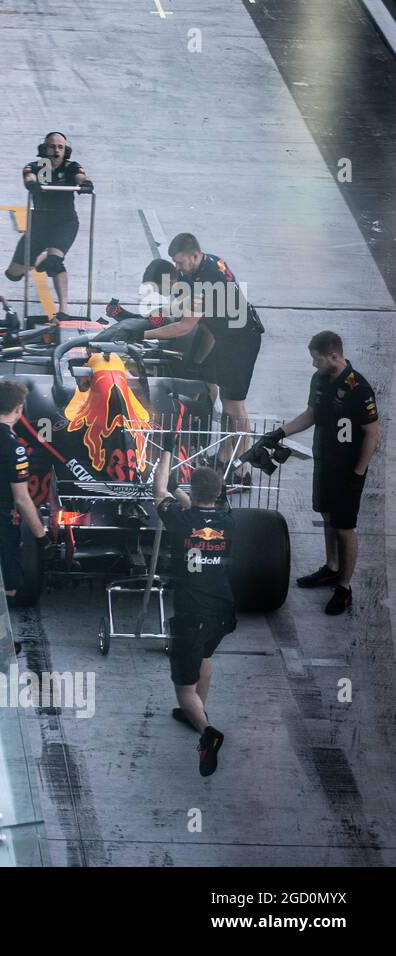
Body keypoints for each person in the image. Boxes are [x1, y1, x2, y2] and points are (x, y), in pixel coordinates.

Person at [253, 331, 379, 615]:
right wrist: (280, 432)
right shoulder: (320, 380)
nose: (313, 365)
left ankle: (344, 587)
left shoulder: (359, 388)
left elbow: (372, 433)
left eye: (317, 359)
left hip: (348, 469)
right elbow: (312, 413)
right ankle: (332, 568)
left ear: (334, 357)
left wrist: (358, 473)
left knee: (345, 527)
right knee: (327, 515)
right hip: (325, 461)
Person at [139, 233, 264, 479]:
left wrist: (144, 332)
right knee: (229, 404)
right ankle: (224, 456)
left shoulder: (207, 280)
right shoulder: (205, 265)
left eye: (180, 262)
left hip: (241, 341)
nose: (177, 268)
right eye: (175, 263)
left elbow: (185, 325)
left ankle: (241, 470)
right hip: (225, 337)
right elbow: (199, 320)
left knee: (234, 407)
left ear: (195, 255)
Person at [152, 439, 235, 777]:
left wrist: (167, 454)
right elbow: (200, 507)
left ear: (189, 490)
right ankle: (196, 712)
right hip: (222, 609)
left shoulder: (180, 521)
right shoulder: (229, 521)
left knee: (184, 688)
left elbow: (159, 489)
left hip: (191, 612)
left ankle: (206, 732)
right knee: (205, 658)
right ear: (219, 493)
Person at [3, 132, 93, 319]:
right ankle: (40, 258)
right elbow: (29, 178)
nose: (56, 150)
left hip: (64, 222)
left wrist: (86, 184)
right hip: (40, 224)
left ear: (65, 150)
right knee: (14, 274)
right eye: (52, 146)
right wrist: (32, 185)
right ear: (45, 149)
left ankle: (63, 311)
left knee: (55, 263)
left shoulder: (71, 166)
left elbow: (80, 177)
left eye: (60, 147)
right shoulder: (35, 166)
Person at [0, 379, 50, 603]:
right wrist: (41, 537)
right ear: (19, 408)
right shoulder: (15, 447)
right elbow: (21, 499)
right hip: (0, 523)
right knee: (8, 586)